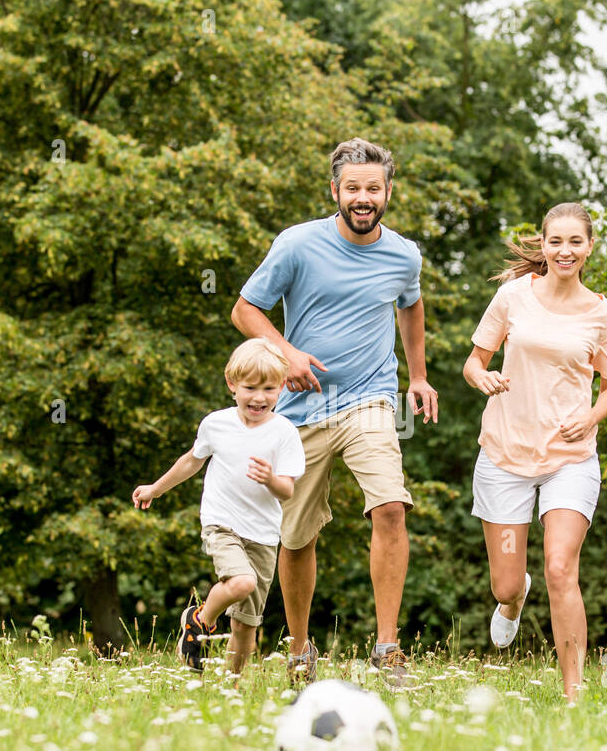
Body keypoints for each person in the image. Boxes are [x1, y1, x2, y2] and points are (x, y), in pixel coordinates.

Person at [230, 137, 438, 687]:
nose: (363, 198)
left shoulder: (403, 254)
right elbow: (244, 308)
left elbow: (410, 304)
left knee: (391, 505)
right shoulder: (297, 245)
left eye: (373, 188)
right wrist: (287, 354)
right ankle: (299, 648)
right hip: (301, 409)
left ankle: (388, 646)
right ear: (335, 192)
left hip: (371, 397)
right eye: (353, 189)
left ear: (388, 192)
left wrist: (416, 375)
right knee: (296, 538)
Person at [462, 202, 607, 702]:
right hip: (505, 454)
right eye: (556, 241)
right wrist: (482, 377)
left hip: (569, 460)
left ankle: (574, 693)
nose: (565, 250)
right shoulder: (513, 297)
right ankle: (513, 602)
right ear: (544, 245)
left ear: (590, 247)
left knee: (560, 567)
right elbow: (473, 362)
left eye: (575, 242)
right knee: (506, 585)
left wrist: (592, 416)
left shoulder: (605, 317)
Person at [131, 339, 305, 677]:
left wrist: (270, 478)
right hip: (222, 523)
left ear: (282, 387)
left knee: (246, 625)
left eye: (269, 388)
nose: (259, 397)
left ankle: (231, 687)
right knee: (241, 582)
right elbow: (191, 462)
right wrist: (156, 488)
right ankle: (200, 620)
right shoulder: (216, 424)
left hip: (265, 535)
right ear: (232, 385)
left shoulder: (284, 433)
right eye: (250, 387)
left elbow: (286, 489)